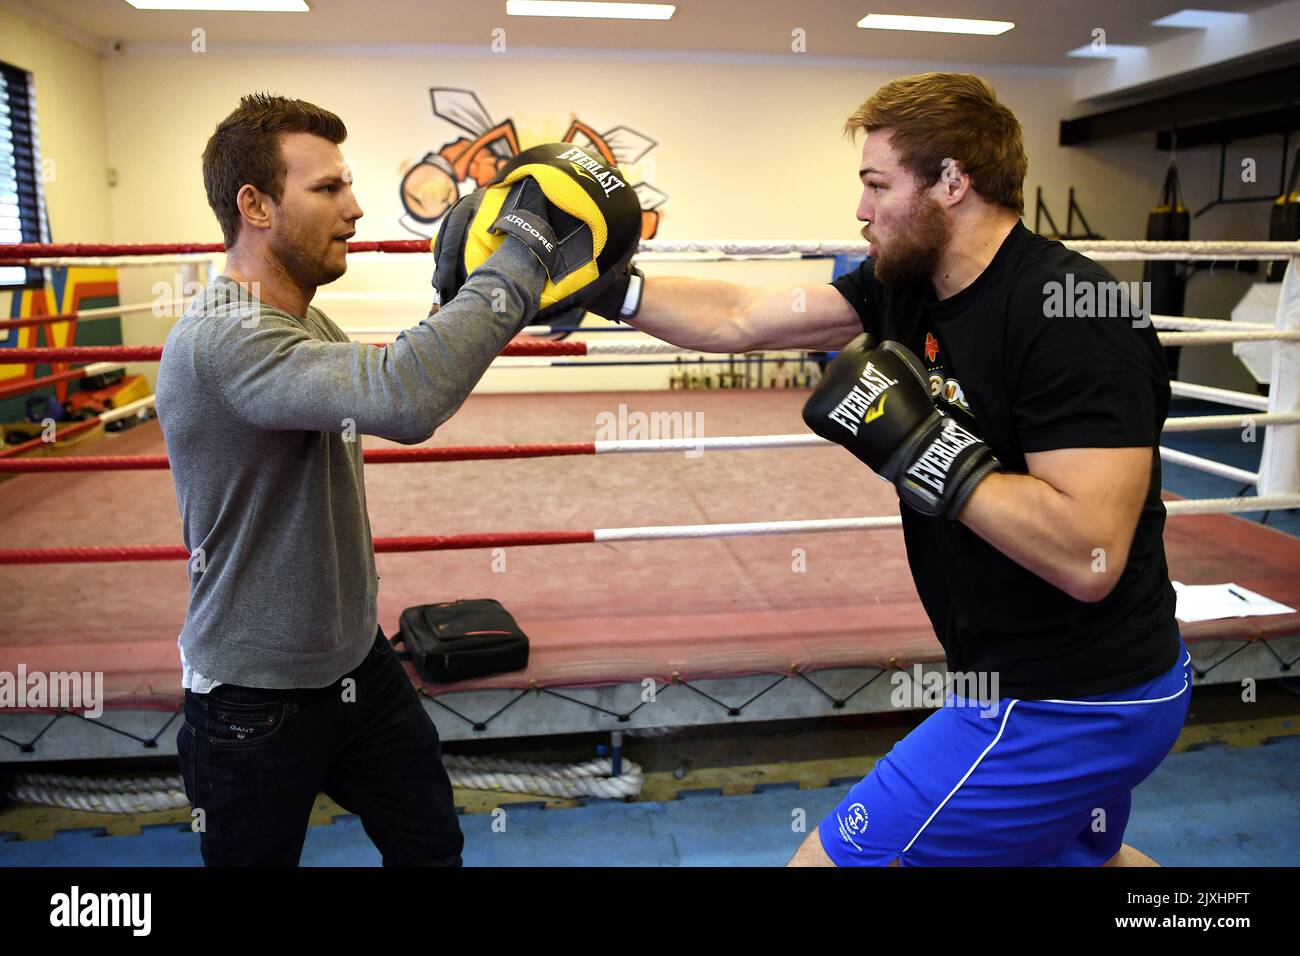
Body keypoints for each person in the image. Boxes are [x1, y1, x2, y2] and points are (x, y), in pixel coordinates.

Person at [610, 72, 1188, 867]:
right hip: (1021, 678)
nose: (860, 210)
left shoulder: (1072, 318)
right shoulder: (908, 286)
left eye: (877, 185)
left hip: (1072, 700)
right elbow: (743, 317)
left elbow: (1088, 555)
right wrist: (613, 290)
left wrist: (927, 449)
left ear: (952, 181)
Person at [156, 93, 630, 865]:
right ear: (256, 205)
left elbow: (404, 371)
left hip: (357, 668)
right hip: (253, 701)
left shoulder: (304, 324)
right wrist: (526, 248)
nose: (355, 206)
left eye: (348, 185)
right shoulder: (222, 338)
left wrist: (465, 297)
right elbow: (403, 397)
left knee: (431, 848)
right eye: (328, 189)